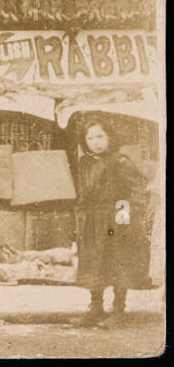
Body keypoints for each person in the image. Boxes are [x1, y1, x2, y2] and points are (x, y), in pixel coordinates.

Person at [73, 119, 149, 327]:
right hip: (93, 220)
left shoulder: (120, 161)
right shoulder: (85, 163)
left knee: (117, 261)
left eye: (100, 136)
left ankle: (118, 311)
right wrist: (81, 219)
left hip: (117, 220)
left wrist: (123, 220)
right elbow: (83, 194)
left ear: (109, 138)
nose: (95, 142)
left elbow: (137, 191)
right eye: (90, 138)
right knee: (94, 263)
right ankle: (96, 308)